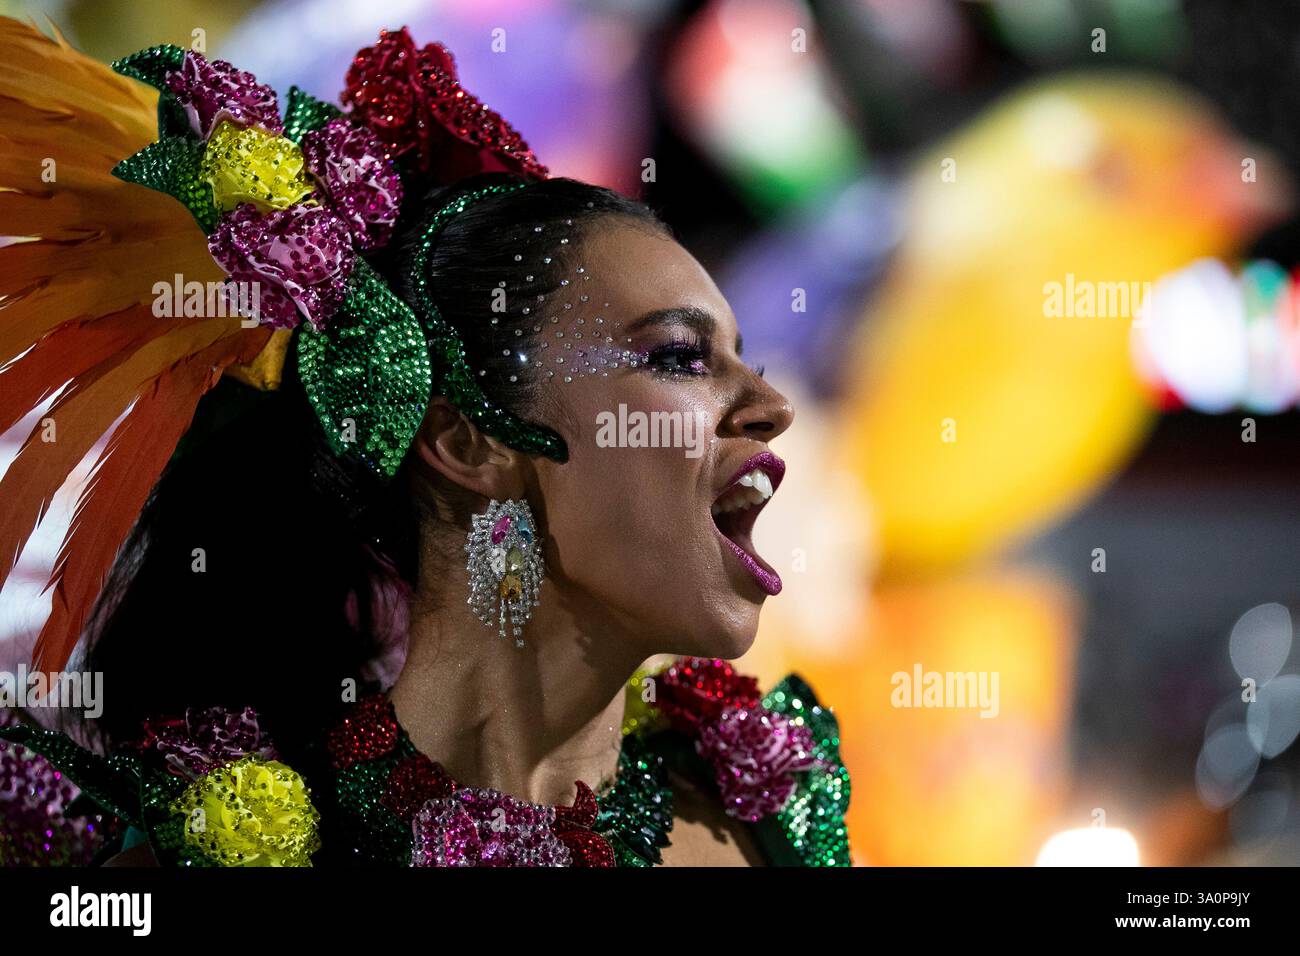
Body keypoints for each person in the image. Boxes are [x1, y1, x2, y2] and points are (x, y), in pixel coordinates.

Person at [0, 20, 851, 867]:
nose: (772, 406)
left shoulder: (763, 798)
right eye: (677, 357)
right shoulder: (234, 853)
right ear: (468, 441)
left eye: (748, 360)